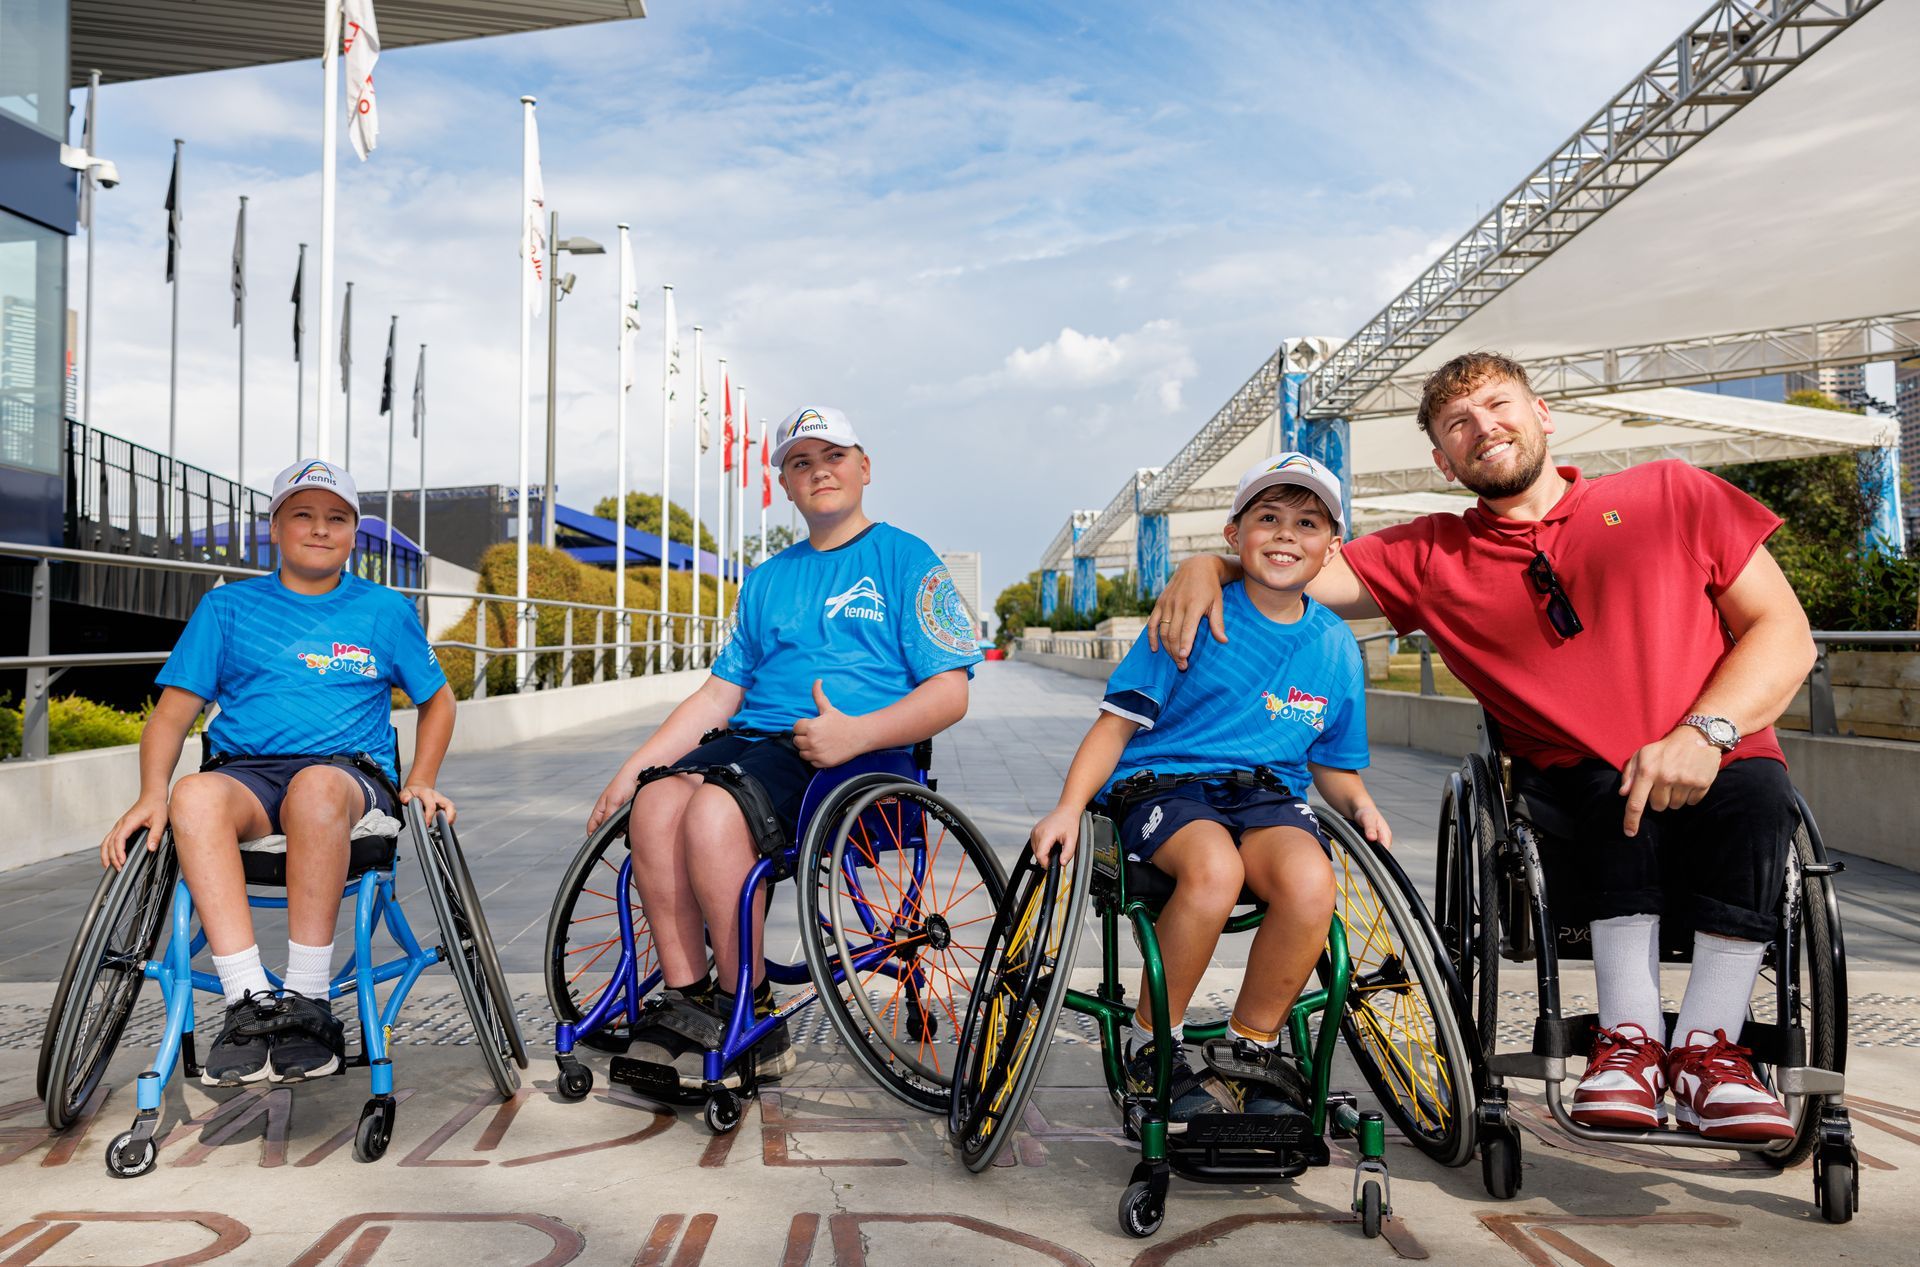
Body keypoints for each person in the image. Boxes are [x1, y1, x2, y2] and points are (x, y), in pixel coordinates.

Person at [1149, 352, 1816, 1141]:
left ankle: (1712, 1046)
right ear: (1443, 458)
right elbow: (1289, 568)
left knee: (1761, 792)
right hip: (1576, 785)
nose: (1483, 429)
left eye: (1499, 406)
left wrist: (1703, 732)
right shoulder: (1432, 556)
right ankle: (1628, 1040)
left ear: (1542, 415)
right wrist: (1206, 561)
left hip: (1720, 756)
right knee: (1604, 785)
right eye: (1458, 424)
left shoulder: (1672, 492)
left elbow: (1786, 632)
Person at [585, 405, 983, 1084]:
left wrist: (858, 730)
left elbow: (950, 692)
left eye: (833, 455)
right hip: (756, 742)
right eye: (801, 461)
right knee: (656, 802)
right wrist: (633, 767)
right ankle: (689, 1003)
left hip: (858, 753)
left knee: (715, 810)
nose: (819, 471)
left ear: (864, 466)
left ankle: (754, 1007)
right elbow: (718, 693)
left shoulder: (906, 559)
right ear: (785, 484)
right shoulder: (768, 578)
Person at [1030, 452, 1389, 1121]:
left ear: (1332, 547)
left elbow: (1334, 762)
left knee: (1313, 883)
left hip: (1265, 795)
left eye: (1307, 522)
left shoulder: (1337, 646)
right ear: (1234, 534)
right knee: (1214, 869)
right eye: (1269, 517)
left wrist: (1361, 803)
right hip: (1165, 782)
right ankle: (1152, 1041)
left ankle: (1249, 1052)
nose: (1286, 534)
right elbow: (1114, 726)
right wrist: (1068, 808)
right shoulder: (1191, 610)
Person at [101, 458, 458, 1086]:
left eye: (336, 519)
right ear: (274, 528)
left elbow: (438, 700)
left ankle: (307, 998)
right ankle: (246, 1001)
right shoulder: (227, 608)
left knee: (315, 787)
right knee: (193, 795)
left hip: (345, 774)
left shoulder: (384, 610)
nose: (320, 529)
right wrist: (150, 793)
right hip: (248, 773)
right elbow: (170, 717)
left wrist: (422, 778)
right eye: (303, 515)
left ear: (353, 534)